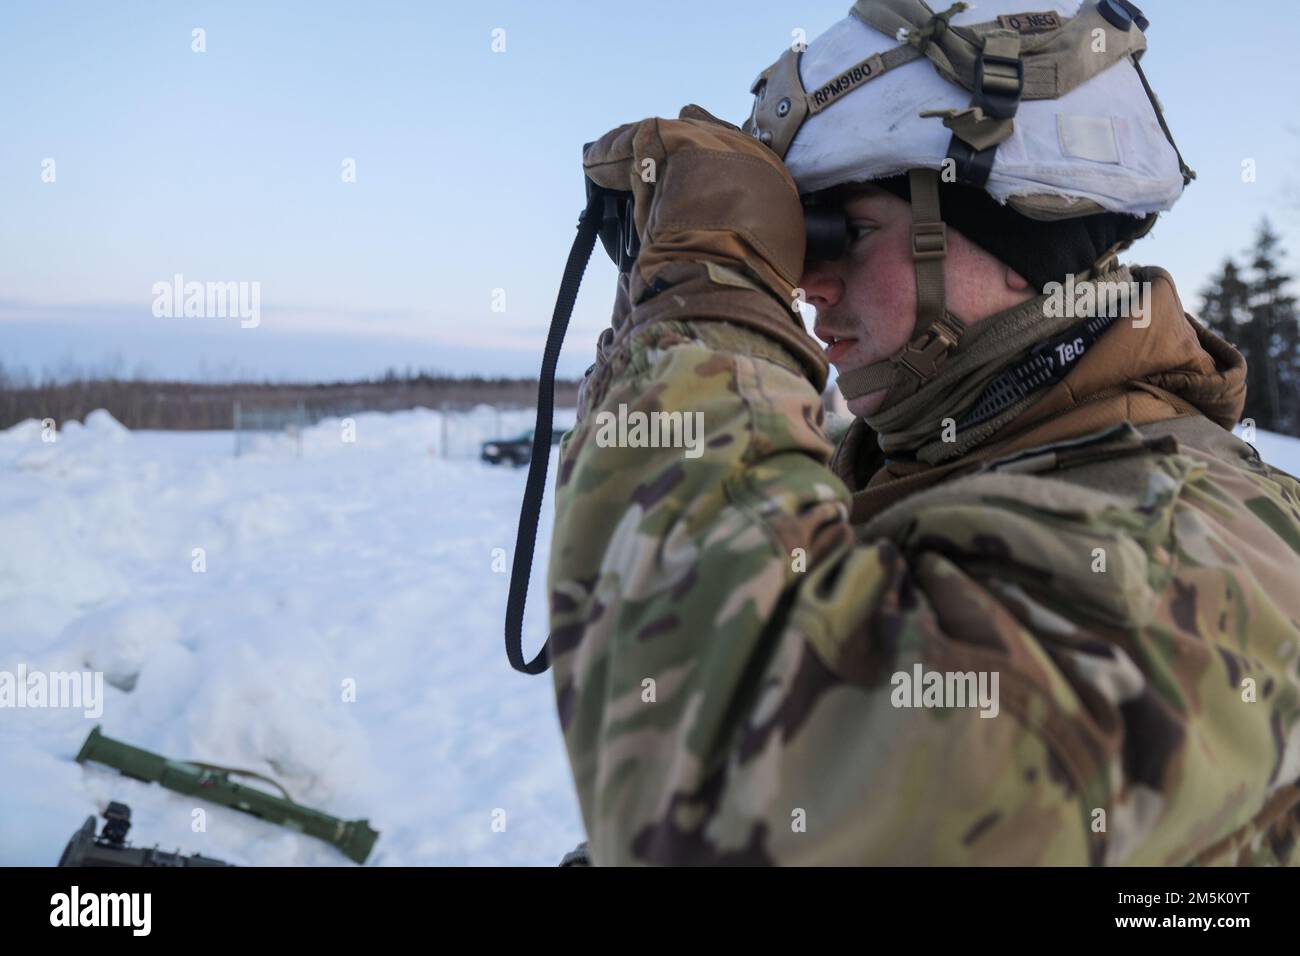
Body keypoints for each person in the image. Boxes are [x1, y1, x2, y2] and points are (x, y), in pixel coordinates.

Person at [545, 0, 1300, 864]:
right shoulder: (938, 462)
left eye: (848, 232)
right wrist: (660, 310)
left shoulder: (1177, 547)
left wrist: (708, 299)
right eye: (797, 243)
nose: (807, 286)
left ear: (1022, 233)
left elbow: (748, 807)